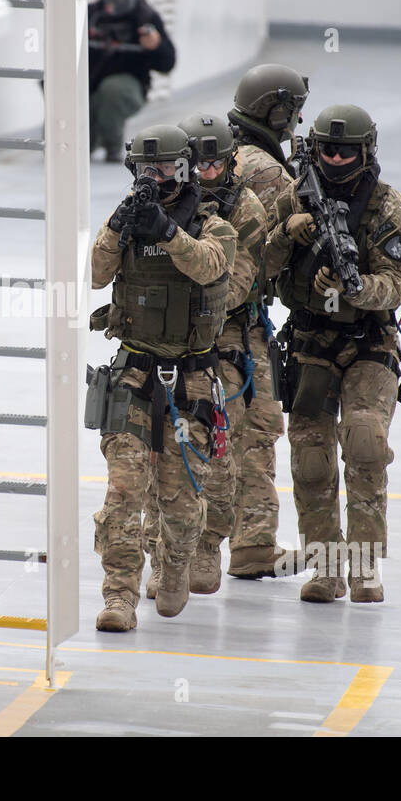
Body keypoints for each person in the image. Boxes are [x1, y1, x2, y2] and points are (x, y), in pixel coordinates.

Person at [262, 105, 401, 603]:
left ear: (365, 152)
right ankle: (326, 567)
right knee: (311, 459)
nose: (334, 158)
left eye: (345, 151)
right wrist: (289, 235)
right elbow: (259, 266)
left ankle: (365, 566)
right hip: (311, 340)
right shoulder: (294, 197)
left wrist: (354, 288)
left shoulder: (388, 207)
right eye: (326, 150)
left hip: (369, 342)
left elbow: (398, 284)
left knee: (367, 443)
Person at [87, 124, 236, 630]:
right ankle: (118, 596)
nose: (157, 178)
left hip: (190, 381)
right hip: (133, 375)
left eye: (168, 169)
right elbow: (95, 272)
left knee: (178, 502)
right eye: (146, 170)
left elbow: (212, 267)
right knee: (122, 495)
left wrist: (171, 232)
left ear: (187, 168)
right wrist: (120, 224)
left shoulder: (214, 224)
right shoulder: (127, 222)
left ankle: (175, 566)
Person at [141, 112, 267, 597]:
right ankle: (161, 553)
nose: (211, 173)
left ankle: (207, 545)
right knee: (157, 447)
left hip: (227, 336)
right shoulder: (161, 200)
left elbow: (234, 285)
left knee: (219, 446)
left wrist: (186, 277)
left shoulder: (245, 209)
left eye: (219, 163)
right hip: (167, 339)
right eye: (202, 164)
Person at [222, 63, 312, 579]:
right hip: (240, 324)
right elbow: (283, 255)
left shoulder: (221, 152)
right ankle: (250, 544)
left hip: (207, 321)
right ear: (277, 112)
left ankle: (246, 545)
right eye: (293, 114)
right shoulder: (270, 171)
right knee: (255, 429)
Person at [87, 0, 177, 162]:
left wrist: (155, 46)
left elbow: (168, 63)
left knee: (113, 90)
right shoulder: (91, 15)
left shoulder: (145, 16)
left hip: (127, 89)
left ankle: (112, 147)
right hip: (90, 88)